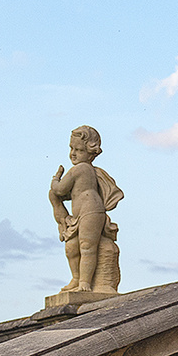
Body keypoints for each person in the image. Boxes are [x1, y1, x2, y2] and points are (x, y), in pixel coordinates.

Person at [49, 125, 123, 294]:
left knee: (87, 246)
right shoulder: (81, 170)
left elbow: (59, 189)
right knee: (71, 247)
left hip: (91, 212)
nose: (73, 153)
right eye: (71, 148)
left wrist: (55, 178)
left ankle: (84, 282)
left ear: (90, 153)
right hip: (79, 214)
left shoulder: (81, 168)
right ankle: (76, 278)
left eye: (79, 150)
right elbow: (70, 193)